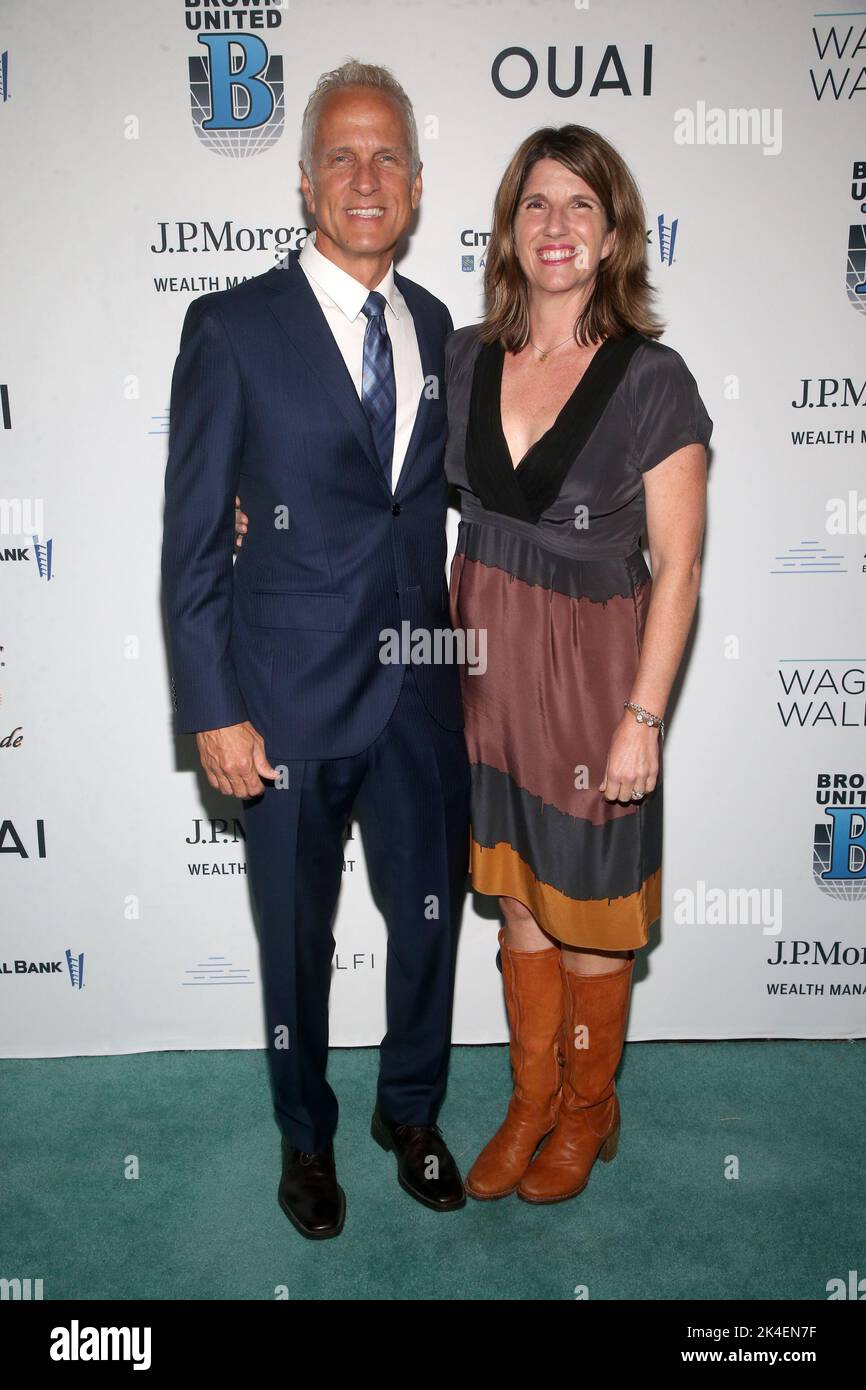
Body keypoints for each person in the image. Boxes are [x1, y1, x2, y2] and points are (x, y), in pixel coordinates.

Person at [161, 60, 470, 1241]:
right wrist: (212, 705)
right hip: (280, 699)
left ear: (416, 184)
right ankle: (306, 1135)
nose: (363, 175)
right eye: (339, 154)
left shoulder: (436, 326)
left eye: (386, 154)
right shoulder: (230, 327)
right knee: (294, 937)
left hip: (419, 689)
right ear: (301, 181)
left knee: (431, 913)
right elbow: (192, 535)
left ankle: (411, 1108)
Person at [443, 124, 712, 1203]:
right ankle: (528, 1100)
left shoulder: (652, 379)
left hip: (596, 685)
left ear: (610, 239)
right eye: (535, 204)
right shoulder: (463, 357)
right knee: (516, 899)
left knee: (591, 912)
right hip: (484, 678)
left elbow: (680, 567)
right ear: (509, 229)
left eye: (578, 208)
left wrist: (641, 718)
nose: (554, 226)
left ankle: (587, 1110)